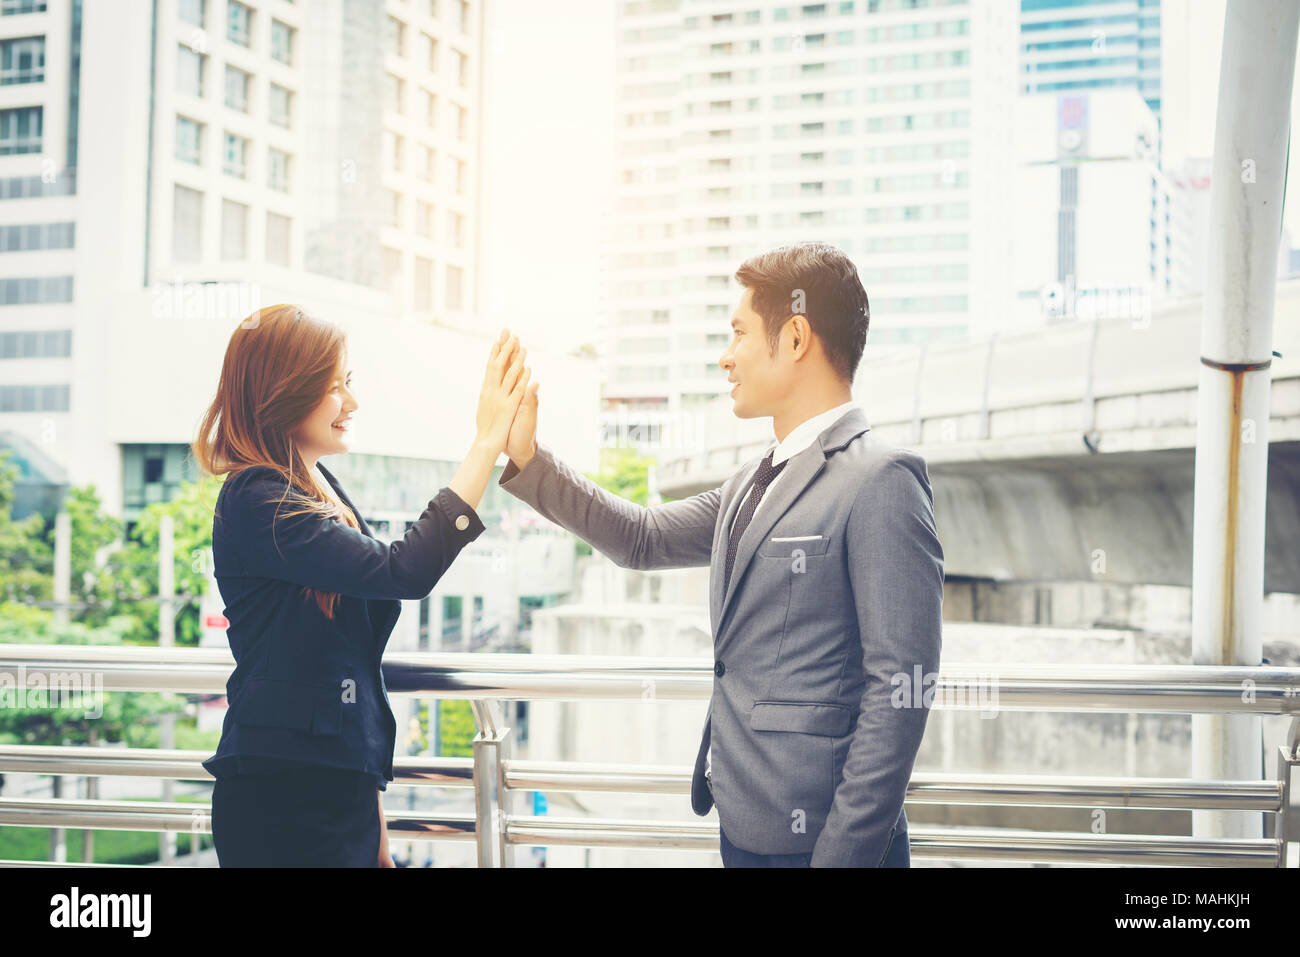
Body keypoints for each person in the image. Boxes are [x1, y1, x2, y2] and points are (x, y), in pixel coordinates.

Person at [497, 243, 944, 867]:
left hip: (821, 845)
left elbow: (900, 689)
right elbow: (643, 538)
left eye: (737, 334)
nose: (725, 357)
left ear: (794, 338)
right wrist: (529, 459)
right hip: (742, 826)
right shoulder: (750, 483)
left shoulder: (881, 481)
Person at [193, 305, 534, 867]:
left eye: (347, 384)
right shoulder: (257, 497)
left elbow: (341, 665)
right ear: (285, 392)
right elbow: (404, 571)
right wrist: (486, 444)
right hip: (282, 805)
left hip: (333, 794)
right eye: (333, 388)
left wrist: (373, 824)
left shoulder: (315, 487)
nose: (350, 403)